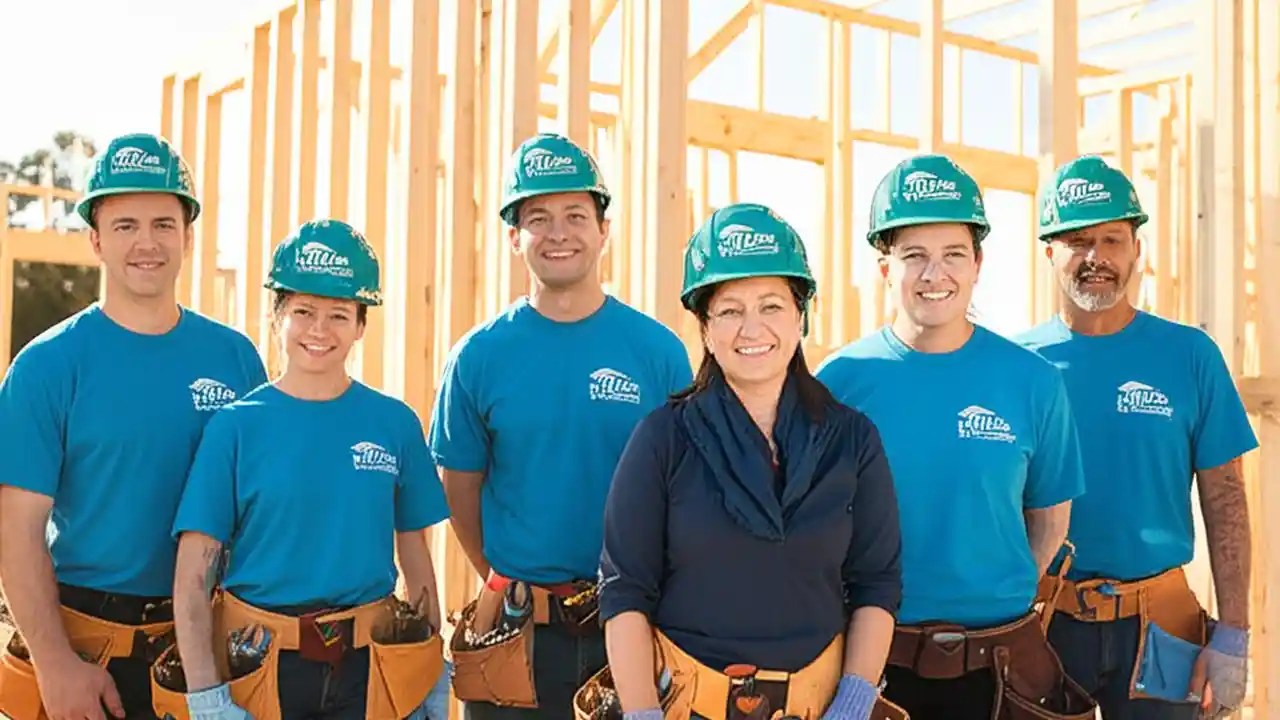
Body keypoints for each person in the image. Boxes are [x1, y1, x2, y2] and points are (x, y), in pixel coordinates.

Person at [584, 202, 905, 720]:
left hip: (819, 706)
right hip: (687, 705)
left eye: (772, 306)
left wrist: (852, 704)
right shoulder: (663, 439)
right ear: (706, 329)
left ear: (801, 316)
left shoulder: (852, 441)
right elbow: (625, 592)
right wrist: (642, 714)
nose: (752, 329)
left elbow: (877, 583)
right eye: (730, 310)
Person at [814, 154, 1096, 720]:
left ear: (978, 263)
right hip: (872, 670)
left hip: (1002, 672)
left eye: (952, 255)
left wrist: (986, 593)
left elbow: (1049, 521)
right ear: (885, 267)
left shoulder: (1032, 381)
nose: (933, 274)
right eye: (913, 255)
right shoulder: (838, 383)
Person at [0, 132, 267, 720]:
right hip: (88, 657)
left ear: (187, 237)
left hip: (206, 652)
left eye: (163, 224)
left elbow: (261, 508)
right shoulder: (47, 367)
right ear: (95, 238)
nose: (147, 243)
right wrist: (53, 663)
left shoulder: (237, 359)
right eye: (125, 226)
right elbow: (15, 533)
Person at [430, 131, 694, 720]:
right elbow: (460, 491)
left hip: (636, 631)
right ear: (512, 237)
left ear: (604, 230)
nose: (558, 232)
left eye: (576, 214)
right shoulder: (477, 358)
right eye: (538, 217)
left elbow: (685, 491)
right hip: (517, 639)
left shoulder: (658, 353)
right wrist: (506, 583)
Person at [158, 219, 452, 720]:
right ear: (277, 318)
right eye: (303, 311)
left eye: (339, 314)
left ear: (361, 325)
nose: (320, 330)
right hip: (258, 665)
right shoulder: (234, 428)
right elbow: (192, 573)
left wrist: (426, 665)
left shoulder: (394, 423)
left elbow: (415, 553)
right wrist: (205, 696)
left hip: (367, 670)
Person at [1017, 156, 1259, 720]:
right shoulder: (1016, 367)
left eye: (1112, 239)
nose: (1096, 257)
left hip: (1162, 625)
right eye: (1077, 241)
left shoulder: (1189, 356)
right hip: (1047, 623)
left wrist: (1234, 636)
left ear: (1136, 250)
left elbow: (1225, 499)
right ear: (1048, 251)